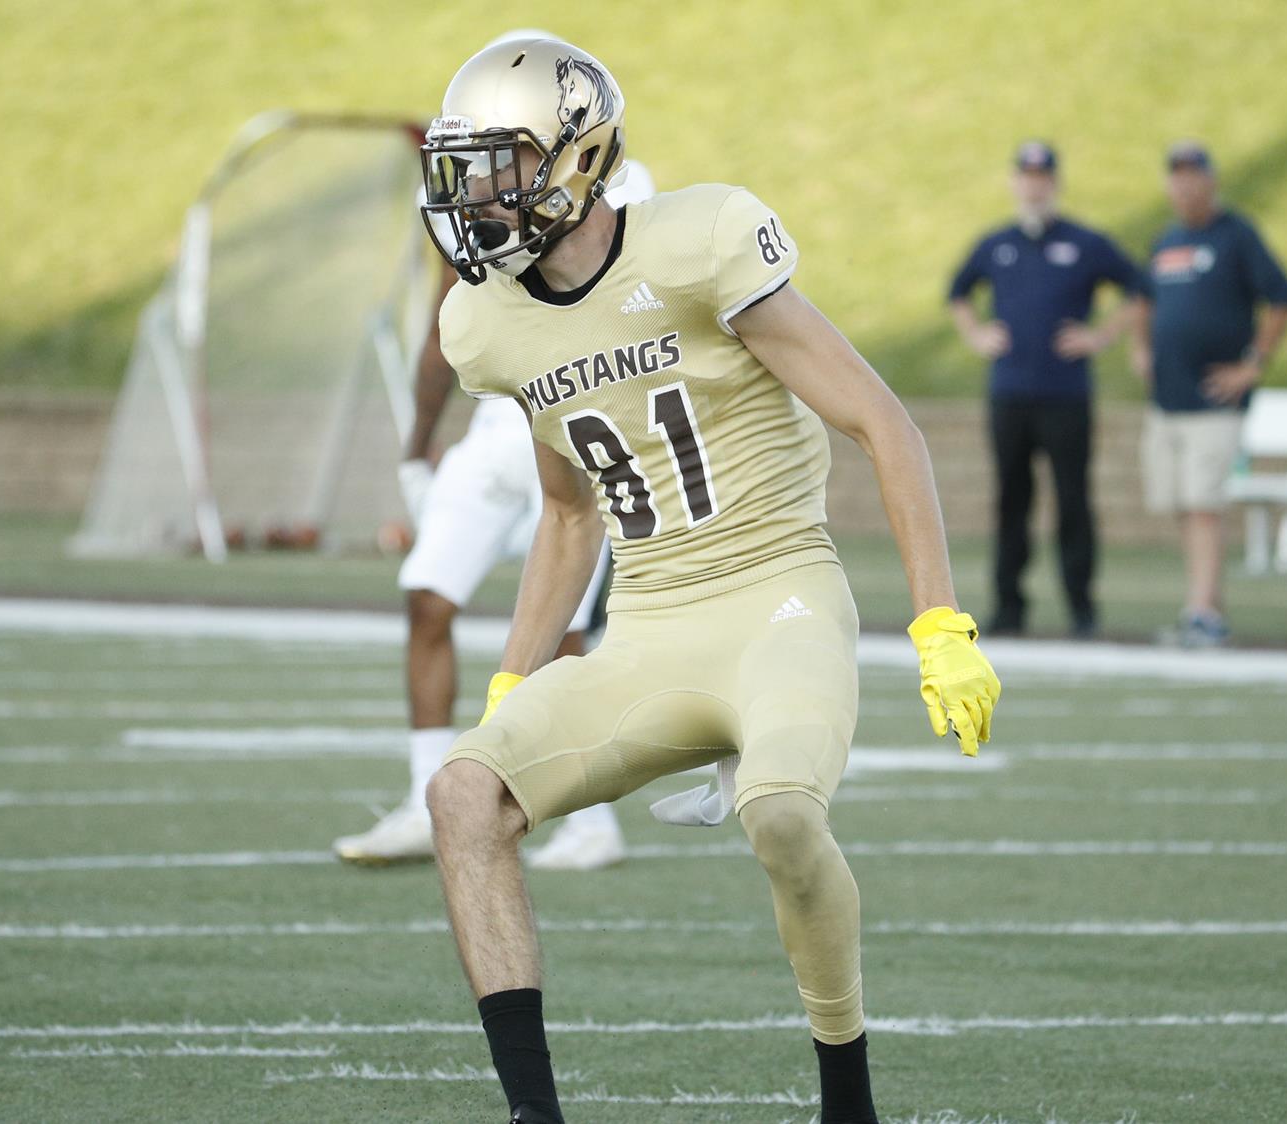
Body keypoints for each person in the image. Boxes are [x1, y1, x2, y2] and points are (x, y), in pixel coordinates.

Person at [415, 38, 1001, 1124]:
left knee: (780, 814)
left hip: (777, 597)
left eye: (504, 163)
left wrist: (938, 623)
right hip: (645, 628)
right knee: (463, 792)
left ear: (578, 157)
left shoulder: (702, 240)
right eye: (469, 167)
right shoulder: (484, 321)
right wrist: (512, 684)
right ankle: (531, 1115)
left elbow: (882, 421)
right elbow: (565, 509)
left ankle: (847, 1100)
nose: (480, 196)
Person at [333, 33, 657, 874]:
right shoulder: (484, 204)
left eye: (500, 150)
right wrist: (416, 448)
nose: (480, 179)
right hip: (496, 434)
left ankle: (589, 818)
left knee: (565, 643)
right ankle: (424, 795)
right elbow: (453, 323)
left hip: (579, 434)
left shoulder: (632, 204)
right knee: (426, 599)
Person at [947, 140, 1148, 637]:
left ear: (1054, 183)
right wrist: (977, 333)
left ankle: (1081, 607)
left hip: (1065, 394)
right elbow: (958, 292)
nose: (1034, 185)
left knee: (1073, 499)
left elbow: (1139, 287)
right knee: (1012, 500)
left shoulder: (1083, 242)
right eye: (1026, 176)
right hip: (1011, 391)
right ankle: (1008, 606)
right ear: (1016, 182)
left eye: (1043, 177)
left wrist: (1100, 336)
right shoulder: (997, 244)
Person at [1130, 140, 1287, 646]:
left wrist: (1253, 364)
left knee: (1204, 504)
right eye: (1176, 175)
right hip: (1169, 399)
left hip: (1213, 401)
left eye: (1192, 174)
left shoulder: (1236, 235)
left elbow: (1282, 299)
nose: (1184, 184)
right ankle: (1206, 606)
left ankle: (1201, 610)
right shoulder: (1167, 239)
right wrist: (1141, 348)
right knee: (1184, 505)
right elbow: (1143, 298)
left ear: (1211, 180)